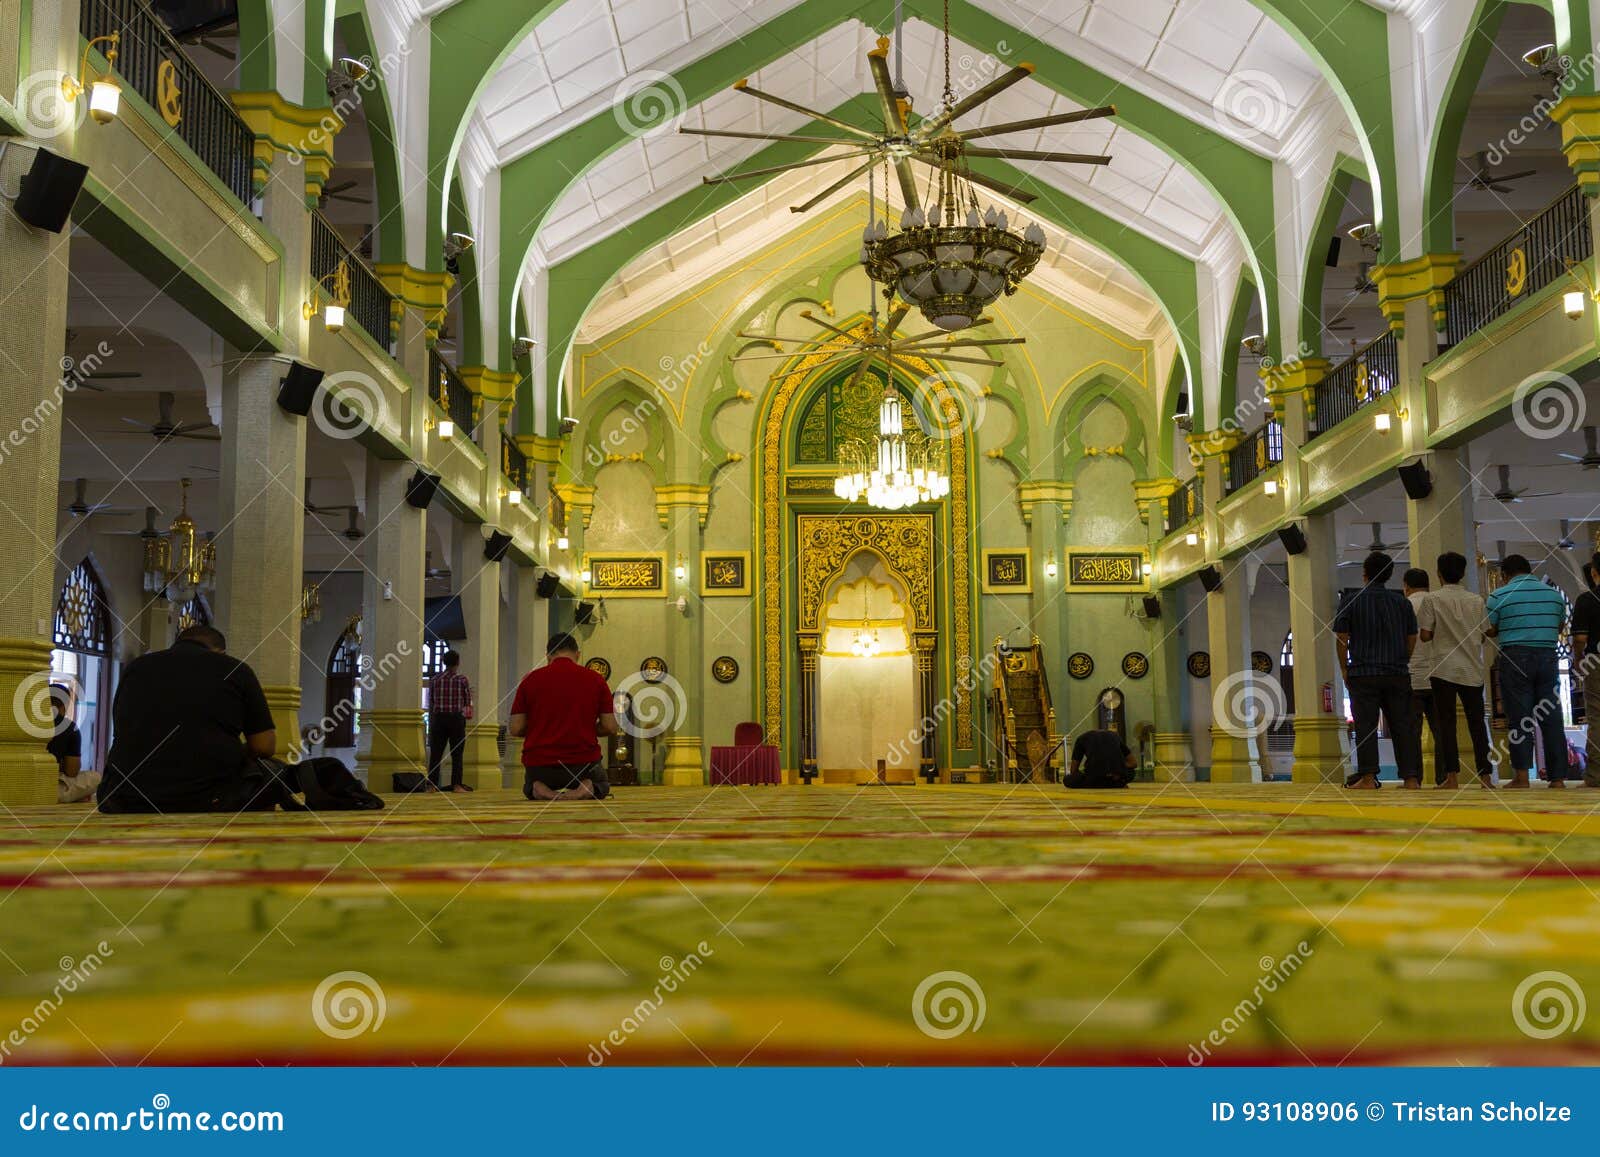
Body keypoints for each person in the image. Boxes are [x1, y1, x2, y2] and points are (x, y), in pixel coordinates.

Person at [98, 625, 281, 814]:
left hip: (124, 798)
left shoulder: (135, 668)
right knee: (271, 771)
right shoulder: (236, 669)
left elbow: (122, 732)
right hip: (209, 800)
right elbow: (264, 746)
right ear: (221, 652)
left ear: (175, 644)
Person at [1333, 551, 1420, 789]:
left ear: (1364, 574)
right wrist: (1403, 659)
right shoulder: (1402, 602)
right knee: (1403, 726)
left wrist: (1343, 668)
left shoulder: (1351, 599)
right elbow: (1412, 637)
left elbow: (1342, 637)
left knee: (1366, 726)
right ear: (1390, 575)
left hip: (1363, 673)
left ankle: (1369, 778)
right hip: (1397, 673)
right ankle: (1411, 778)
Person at [1486, 554, 1571, 789]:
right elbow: (1560, 625)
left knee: (1520, 720)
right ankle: (1558, 779)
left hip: (1514, 658)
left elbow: (1490, 628)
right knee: (1552, 718)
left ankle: (1522, 777)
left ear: (1504, 575)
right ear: (1530, 570)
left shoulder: (1498, 595)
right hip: (1548, 657)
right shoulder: (1553, 596)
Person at [508, 632, 621, 801]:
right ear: (578, 654)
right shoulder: (596, 680)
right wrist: (586, 729)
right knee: (602, 784)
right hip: (582, 765)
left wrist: (540, 729)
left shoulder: (530, 680)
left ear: (547, 656)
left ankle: (539, 788)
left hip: (540, 765)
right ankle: (587, 786)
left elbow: (515, 728)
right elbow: (611, 726)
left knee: (530, 784)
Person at [1418, 551, 1494, 789]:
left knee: (1446, 724)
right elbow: (1484, 633)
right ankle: (1486, 777)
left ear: (1439, 574)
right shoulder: (1477, 600)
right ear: (1463, 574)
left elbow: (1425, 635)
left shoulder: (1432, 599)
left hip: (1443, 669)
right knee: (1477, 723)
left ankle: (1452, 777)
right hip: (1472, 668)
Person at [1402, 567, 1443, 783]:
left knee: (1412, 732)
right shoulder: (1438, 602)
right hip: (1439, 676)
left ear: (1406, 586)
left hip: (1412, 677)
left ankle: (1413, 779)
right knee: (1441, 732)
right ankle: (1444, 778)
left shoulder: (1404, 605)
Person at [426, 649, 473, 792]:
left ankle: (432, 785)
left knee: (436, 753)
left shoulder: (435, 680)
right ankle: (457, 785)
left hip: (439, 719)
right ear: (458, 662)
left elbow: (432, 702)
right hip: (456, 719)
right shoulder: (462, 680)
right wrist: (467, 713)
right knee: (457, 754)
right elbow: (467, 701)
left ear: (443, 662)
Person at [1572, 552, 1600, 789]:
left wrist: (1578, 660)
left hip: (1596, 663)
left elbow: (1581, 637)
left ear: (1594, 573)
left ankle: (1596, 776)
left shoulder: (1587, 600)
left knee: (1598, 717)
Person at [48, 686, 100, 804]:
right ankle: (74, 797)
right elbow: (72, 771)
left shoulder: (28, 721)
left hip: (22, 783)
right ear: (65, 704)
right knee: (96, 778)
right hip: (51, 788)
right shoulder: (69, 727)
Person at [1063, 727, 1136, 789]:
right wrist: (1118, 768)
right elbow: (1133, 763)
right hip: (1116, 778)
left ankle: (1097, 783)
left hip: (1093, 779)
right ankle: (1115, 783)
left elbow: (1073, 770)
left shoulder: (1081, 739)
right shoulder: (1115, 736)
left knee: (1067, 779)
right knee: (1131, 772)